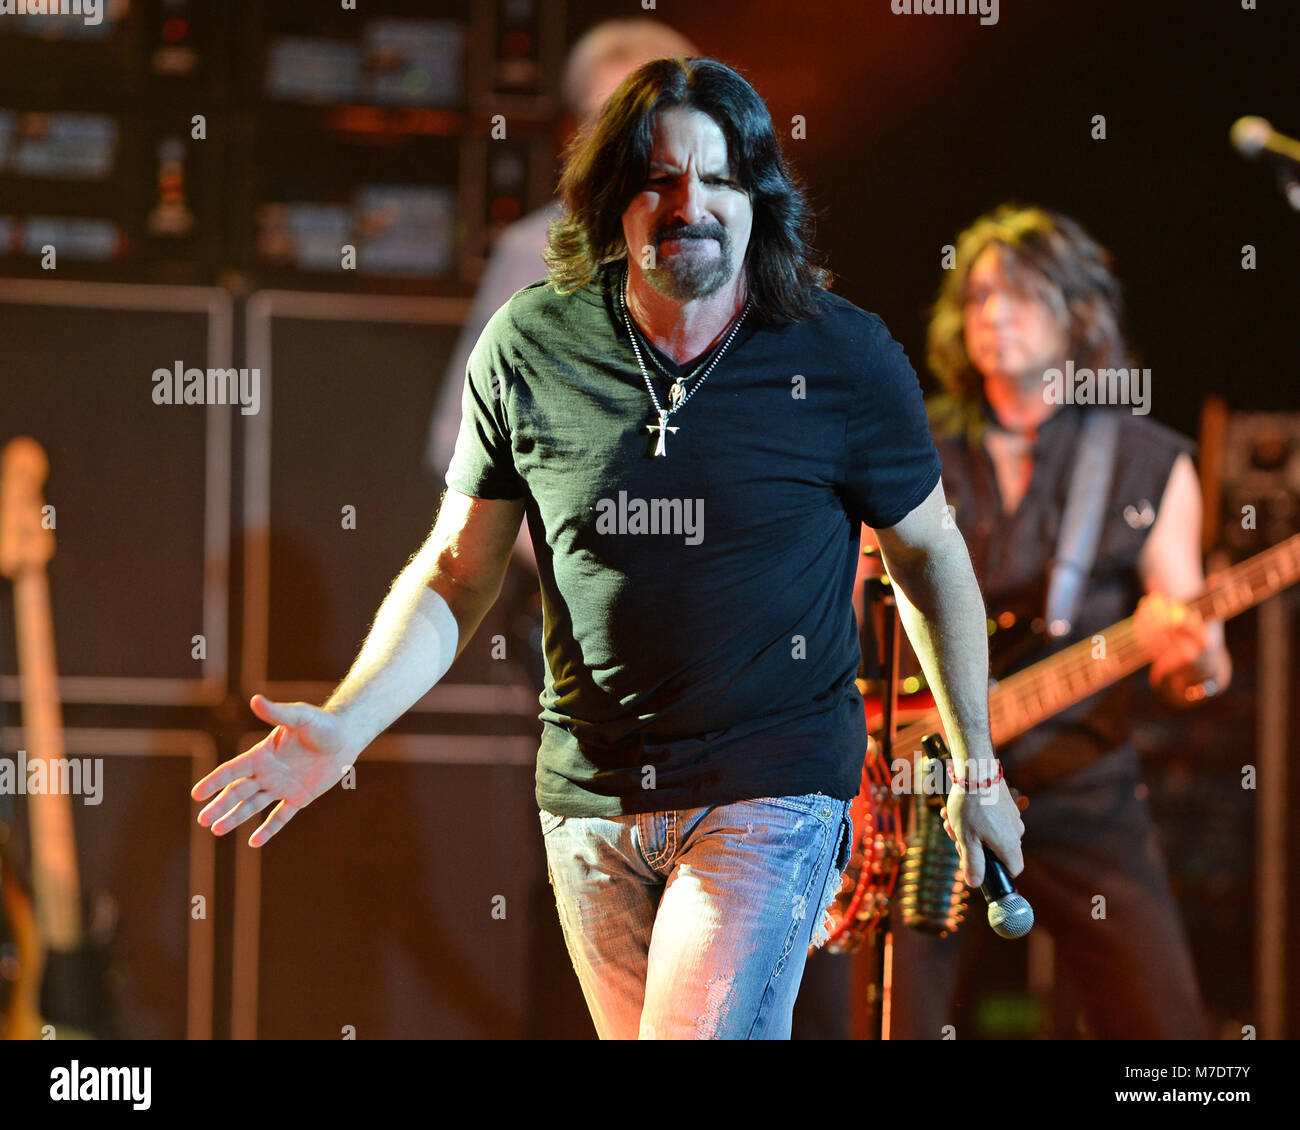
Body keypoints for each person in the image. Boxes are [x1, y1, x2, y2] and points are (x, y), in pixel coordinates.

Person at [191, 58, 1025, 1041]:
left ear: (759, 197)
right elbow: (458, 569)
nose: (690, 203)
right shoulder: (528, 347)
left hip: (770, 782)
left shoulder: (839, 357)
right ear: (611, 202)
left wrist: (975, 768)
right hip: (589, 795)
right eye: (659, 178)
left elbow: (928, 556)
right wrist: (346, 722)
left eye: (718, 178)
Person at [871, 205, 1232, 1039]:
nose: (994, 312)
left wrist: (1196, 657)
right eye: (981, 295)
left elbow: (1194, 669)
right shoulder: (910, 441)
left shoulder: (1150, 461)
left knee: (1167, 1033)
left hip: (1081, 784)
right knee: (887, 1020)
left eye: (1023, 294)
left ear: (1077, 313)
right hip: (926, 780)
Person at [425, 18, 699, 578]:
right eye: (607, 120)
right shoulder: (534, 252)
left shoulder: (728, 249)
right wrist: (577, 564)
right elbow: (458, 439)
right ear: (576, 133)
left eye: (647, 120)